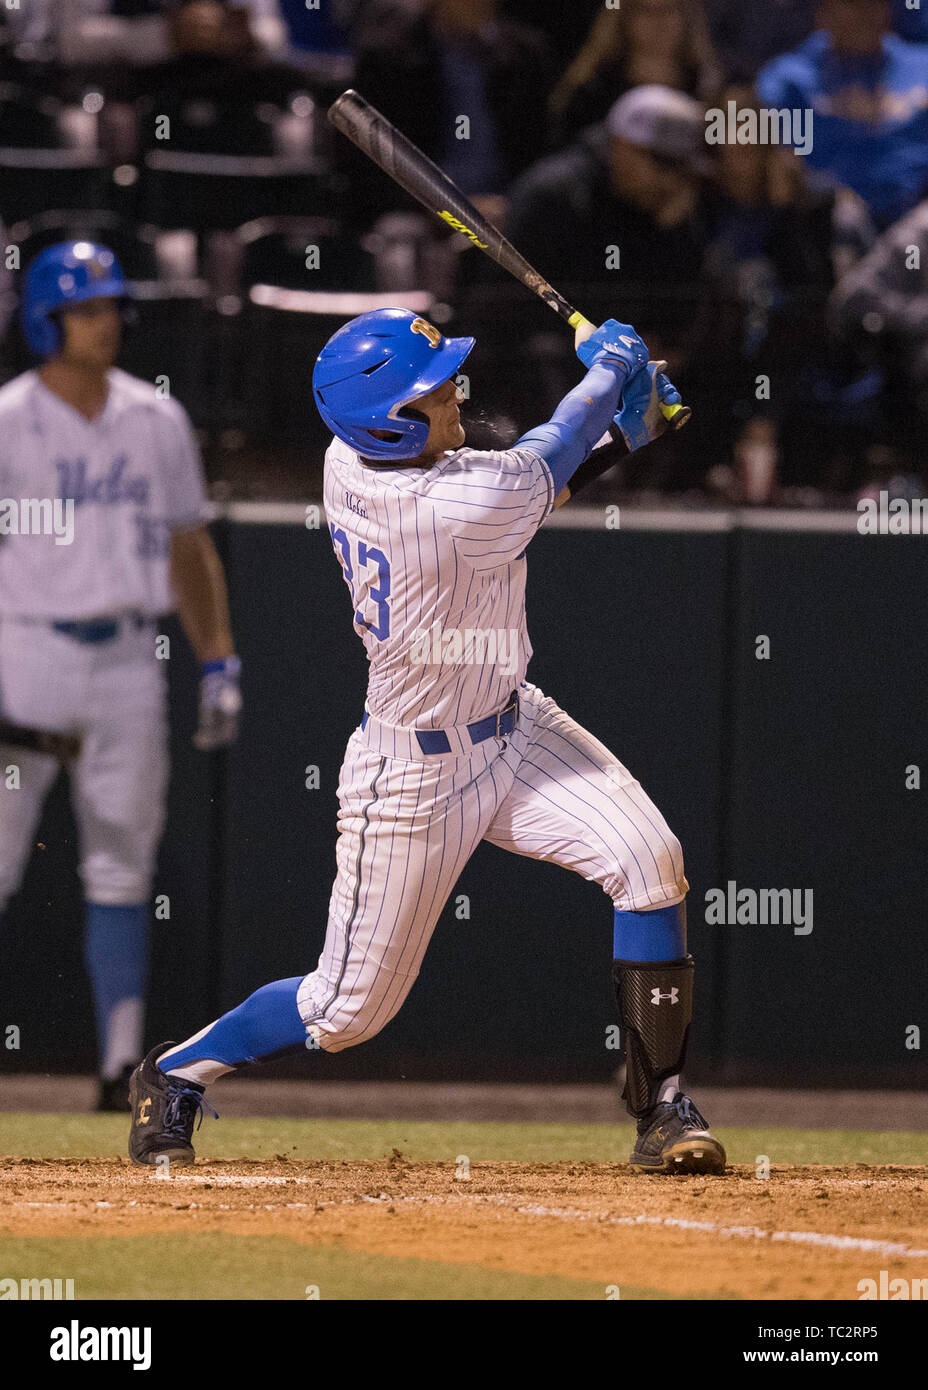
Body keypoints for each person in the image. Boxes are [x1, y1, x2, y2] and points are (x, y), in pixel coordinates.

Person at [127, 306, 726, 1178]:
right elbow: (539, 466)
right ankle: (174, 1071)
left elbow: (535, 479)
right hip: (412, 773)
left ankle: (662, 1109)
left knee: (650, 860)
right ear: (386, 422)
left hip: (516, 726)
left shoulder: (353, 460)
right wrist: (610, 379)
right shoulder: (439, 506)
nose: (452, 391)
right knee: (344, 1012)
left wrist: (623, 424)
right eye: (429, 388)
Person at [0, 241, 241, 1110]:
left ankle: (118, 1069)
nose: (109, 322)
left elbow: (189, 546)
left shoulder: (154, 417)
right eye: (89, 307)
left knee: (122, 867)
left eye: (110, 306)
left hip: (130, 656)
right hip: (24, 650)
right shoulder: (7, 416)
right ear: (46, 318)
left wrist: (218, 659)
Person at [756, 0, 928, 232]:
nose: (867, 14)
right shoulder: (788, 80)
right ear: (824, 12)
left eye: (875, 4)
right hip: (823, 226)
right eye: (853, 5)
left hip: (916, 223)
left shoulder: (922, 67)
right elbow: (777, 170)